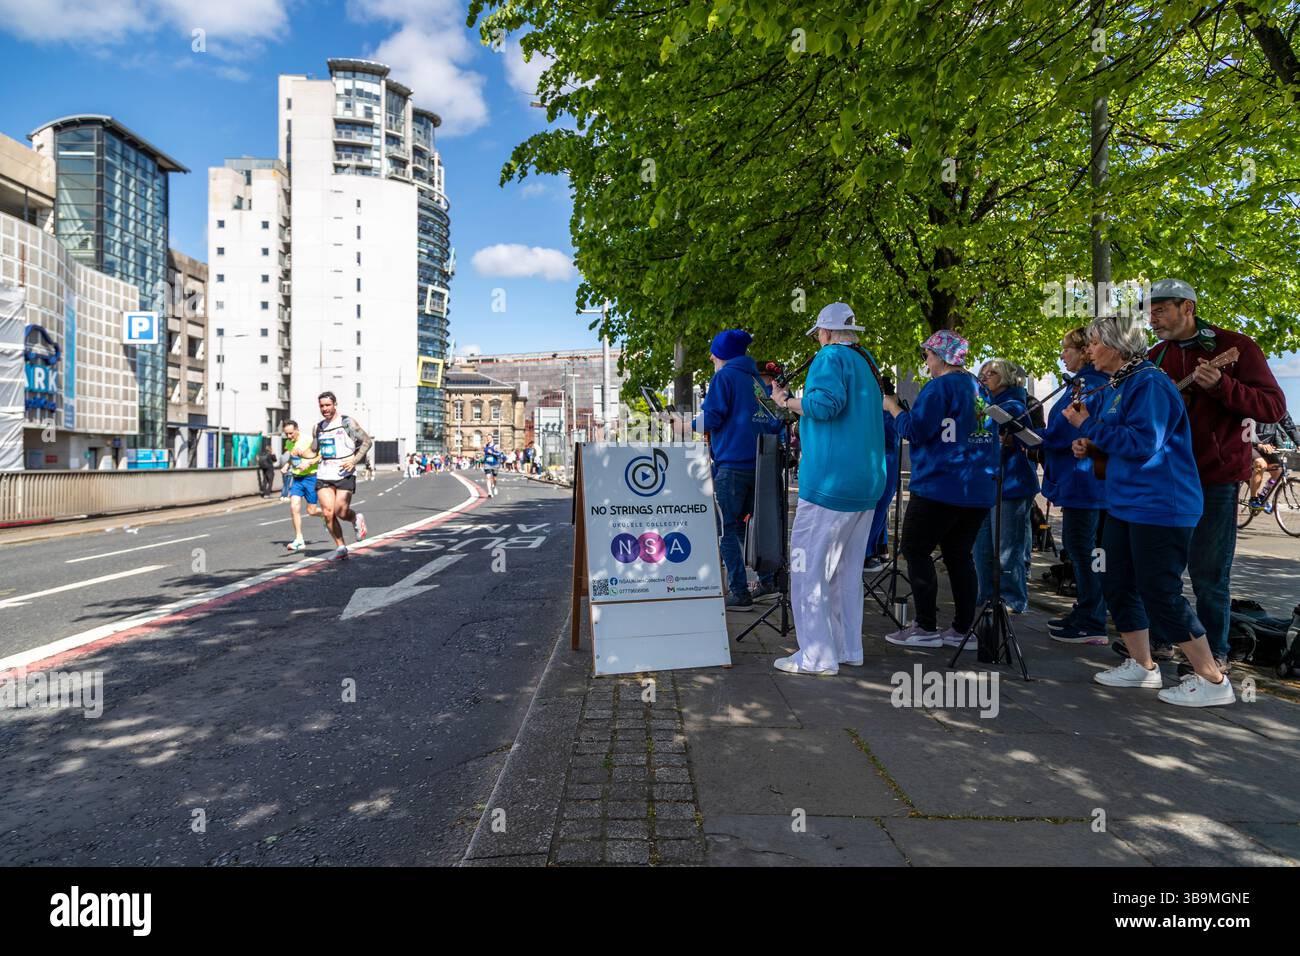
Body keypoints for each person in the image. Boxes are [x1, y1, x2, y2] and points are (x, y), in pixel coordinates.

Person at [1065, 316, 1233, 706]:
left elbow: (1144, 441)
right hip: (1125, 502)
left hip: (1160, 505)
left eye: (1093, 342)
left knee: (1161, 590)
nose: (1089, 350)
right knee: (1114, 578)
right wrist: (1091, 445)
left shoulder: (1149, 382)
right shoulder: (1119, 384)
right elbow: (1115, 437)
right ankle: (1142, 665)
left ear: (1116, 345)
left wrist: (1090, 425)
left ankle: (1212, 679)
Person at [1140, 278, 1286, 677]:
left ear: (1188, 307)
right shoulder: (1156, 356)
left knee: (1208, 572)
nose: (1153, 319)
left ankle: (1214, 655)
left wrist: (1224, 386)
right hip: (1165, 478)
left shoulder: (1234, 347)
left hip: (1214, 477)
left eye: (1161, 310)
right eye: (1149, 312)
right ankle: (1165, 640)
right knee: (1159, 568)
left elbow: (1272, 406)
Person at [768, 302, 886, 675]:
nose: (818, 339)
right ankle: (846, 648)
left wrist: (786, 401)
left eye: (819, 332)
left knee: (808, 568)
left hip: (830, 482)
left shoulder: (828, 357)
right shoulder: (866, 361)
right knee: (846, 573)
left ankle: (816, 655)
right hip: (867, 481)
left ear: (826, 332)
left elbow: (825, 405)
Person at [883, 330, 998, 648]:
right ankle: (963, 629)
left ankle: (925, 626)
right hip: (975, 487)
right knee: (960, 555)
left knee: (915, 548)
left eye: (928, 355)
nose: (926, 362)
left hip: (939, 485)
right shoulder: (978, 389)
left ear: (942, 357)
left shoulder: (939, 387)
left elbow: (915, 431)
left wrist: (894, 408)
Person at [693, 328, 784, 610]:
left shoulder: (724, 378)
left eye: (713, 353)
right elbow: (775, 421)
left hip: (731, 466)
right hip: (761, 466)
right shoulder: (756, 380)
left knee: (728, 530)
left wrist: (684, 424)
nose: (710, 357)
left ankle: (739, 591)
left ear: (722, 355)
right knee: (754, 526)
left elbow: (711, 419)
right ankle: (767, 581)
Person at [1040, 328, 1112, 644]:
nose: (1062, 355)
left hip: (1083, 480)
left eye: (1066, 349)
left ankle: (1092, 617)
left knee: (1082, 548)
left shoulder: (1086, 386)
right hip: (1083, 478)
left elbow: (1063, 428)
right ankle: (1087, 611)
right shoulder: (1084, 384)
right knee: (1086, 549)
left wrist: (1036, 438)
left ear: (1084, 351)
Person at [972, 358, 1039, 614]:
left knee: (1008, 548)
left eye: (992, 373)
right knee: (982, 546)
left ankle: (1013, 599)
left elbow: (1029, 440)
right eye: (983, 372)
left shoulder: (1013, 403)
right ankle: (986, 594)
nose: (985, 376)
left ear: (1007, 378)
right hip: (987, 482)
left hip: (1012, 483)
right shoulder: (984, 401)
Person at [312, 391, 373, 561]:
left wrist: (354, 461)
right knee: (327, 512)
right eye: (322, 406)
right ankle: (340, 546)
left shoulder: (347, 422)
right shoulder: (318, 427)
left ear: (334, 404)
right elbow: (314, 450)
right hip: (324, 473)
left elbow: (367, 442)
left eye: (328, 405)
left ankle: (355, 518)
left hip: (344, 472)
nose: (325, 409)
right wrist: (301, 457)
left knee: (340, 511)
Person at [280, 419, 322, 552]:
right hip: (297, 478)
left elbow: (321, 455)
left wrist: (309, 463)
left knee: (312, 511)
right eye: (286, 434)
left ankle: (326, 515)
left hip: (311, 477)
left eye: (291, 433)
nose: (288, 437)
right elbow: (293, 457)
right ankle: (299, 539)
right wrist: (287, 465)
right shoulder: (288, 442)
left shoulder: (309, 439)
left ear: (297, 429)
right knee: (294, 506)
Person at [1247, 411, 1299, 509]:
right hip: (1249, 444)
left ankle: (1262, 496)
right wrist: (1258, 443)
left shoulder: (1278, 407)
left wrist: (1298, 442)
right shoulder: (1255, 403)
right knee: (1261, 464)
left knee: (1278, 472)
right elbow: (1249, 426)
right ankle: (1253, 499)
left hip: (1267, 446)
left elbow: (1290, 427)